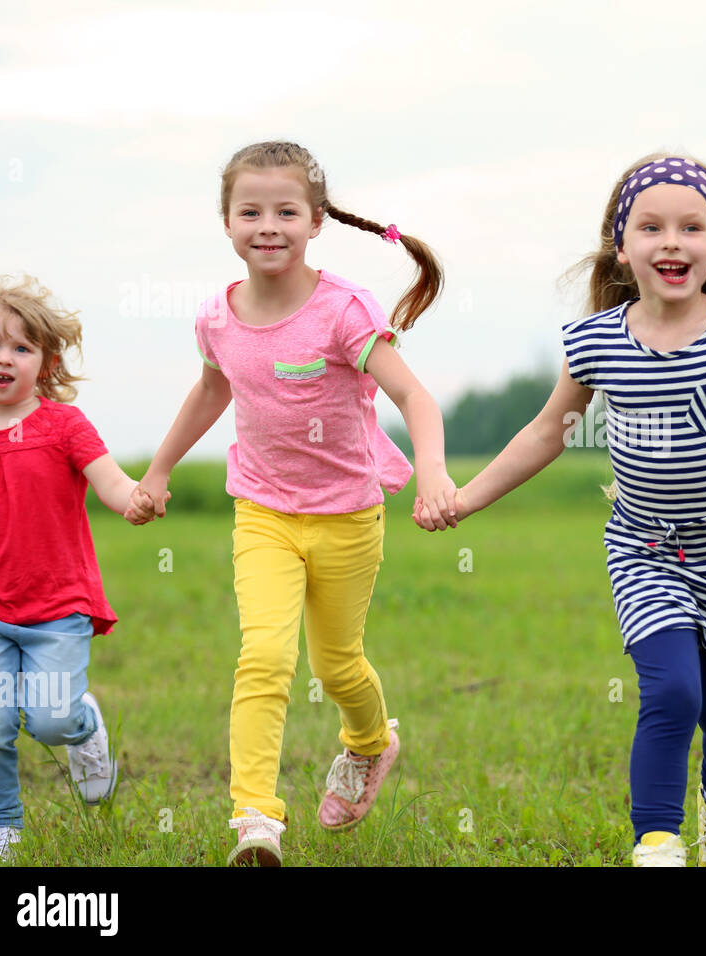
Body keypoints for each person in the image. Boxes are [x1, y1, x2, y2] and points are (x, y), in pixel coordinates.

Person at [417, 154, 706, 866]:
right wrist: (466, 498)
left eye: (692, 227)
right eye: (652, 227)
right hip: (645, 551)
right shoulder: (597, 340)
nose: (672, 242)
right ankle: (658, 844)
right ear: (621, 245)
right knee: (672, 694)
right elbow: (548, 431)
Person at [133, 141, 457, 867]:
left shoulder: (342, 312)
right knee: (265, 657)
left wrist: (432, 472)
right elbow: (212, 389)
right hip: (264, 513)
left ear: (316, 222)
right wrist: (157, 472)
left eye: (286, 211)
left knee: (338, 667)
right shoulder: (217, 317)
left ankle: (371, 744)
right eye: (250, 211)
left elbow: (413, 395)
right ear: (226, 223)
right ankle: (256, 818)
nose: (268, 225)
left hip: (346, 513)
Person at [0, 275, 153, 864]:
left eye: (21, 348)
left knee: (48, 720)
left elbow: (112, 483)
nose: (4, 358)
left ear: (45, 364)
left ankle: (82, 726)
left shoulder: (64, 426)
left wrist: (135, 500)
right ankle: (0, 829)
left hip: (57, 609)